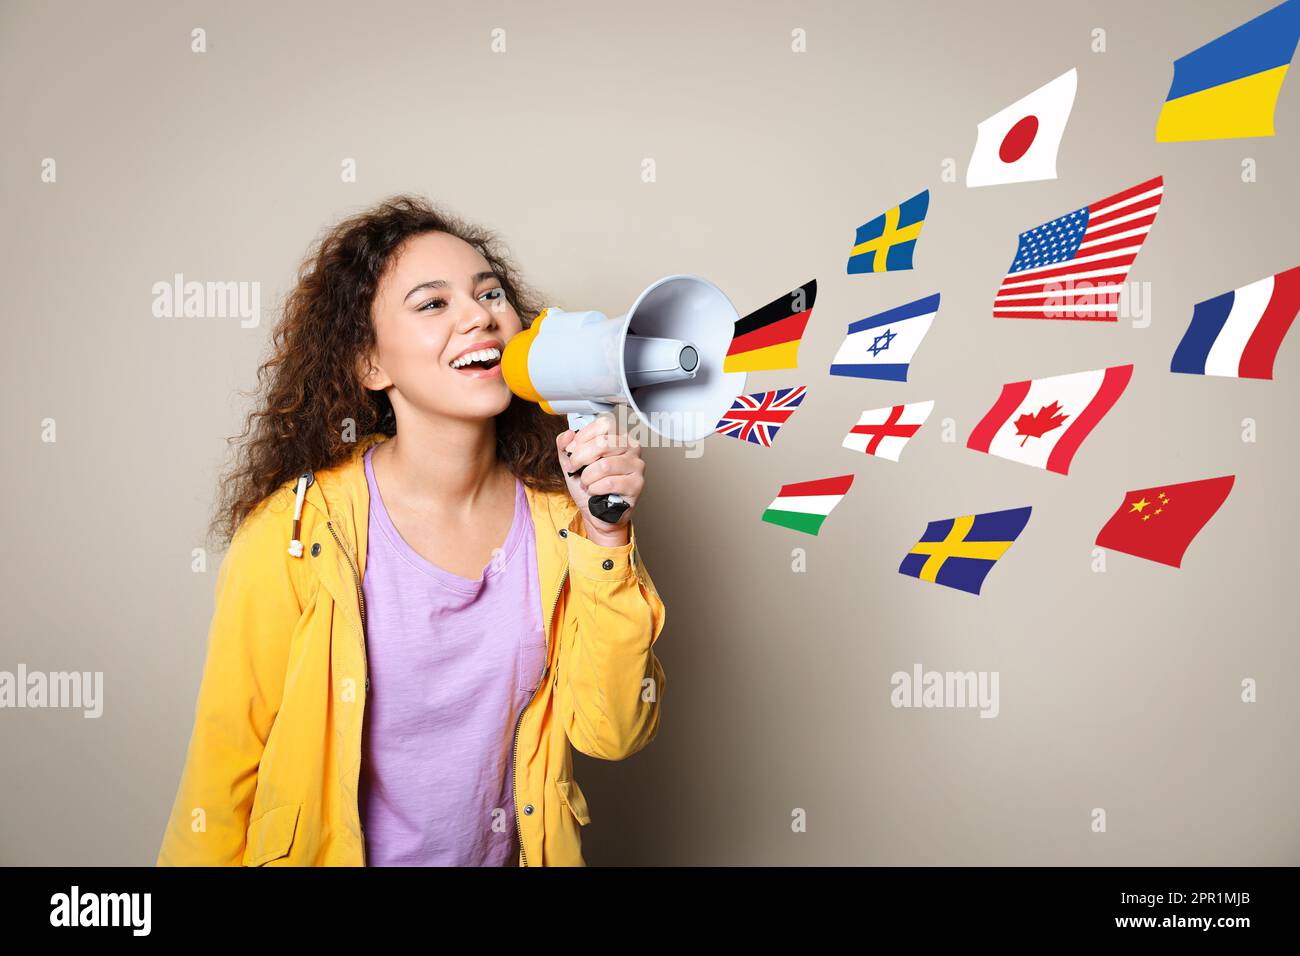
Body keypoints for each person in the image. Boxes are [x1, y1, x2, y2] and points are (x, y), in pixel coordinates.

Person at [156, 196, 667, 866]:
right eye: (433, 304)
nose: (479, 315)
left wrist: (607, 542)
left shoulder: (559, 524)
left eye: (490, 294)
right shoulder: (301, 529)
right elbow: (222, 773)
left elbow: (612, 731)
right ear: (371, 365)